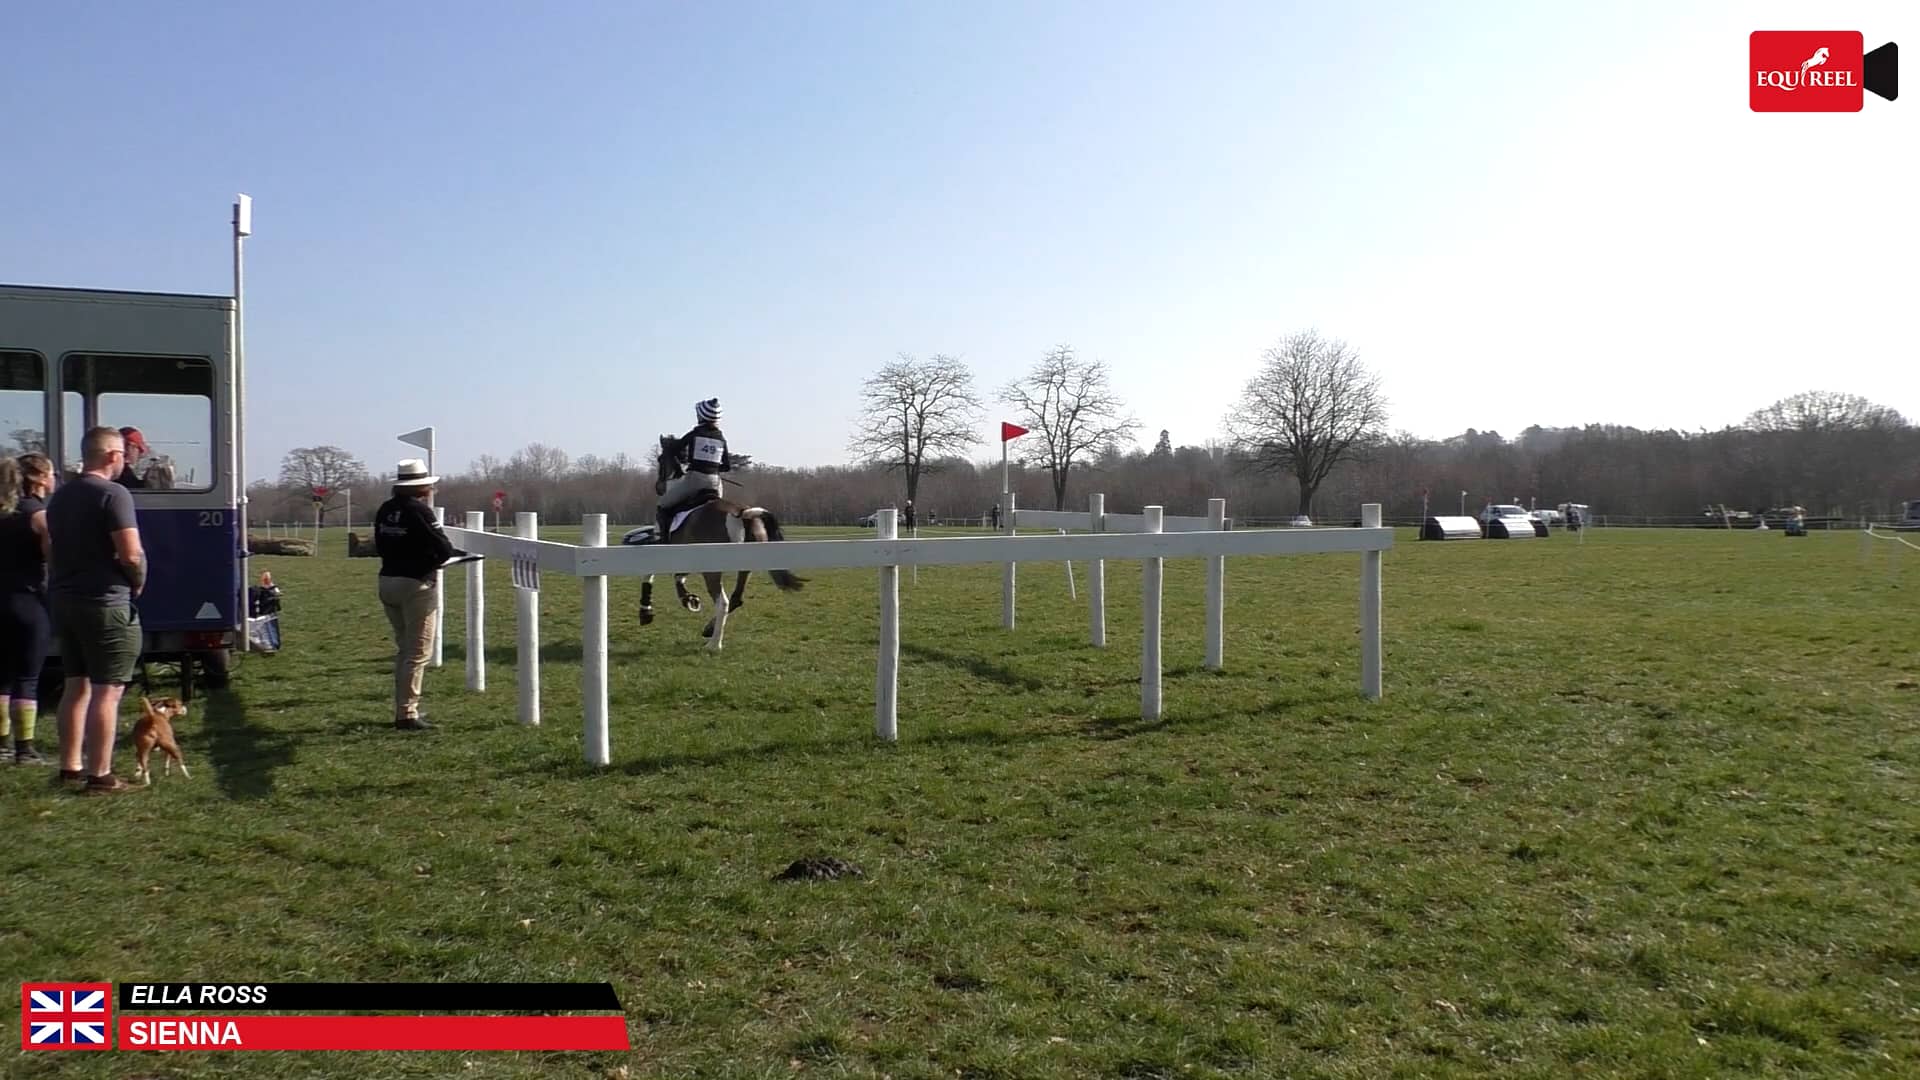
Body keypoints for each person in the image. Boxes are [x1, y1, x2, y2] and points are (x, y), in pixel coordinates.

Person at [45, 427, 146, 793]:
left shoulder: (60, 496)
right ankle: (100, 775)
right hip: (104, 601)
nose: (124, 460)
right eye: (121, 453)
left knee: (76, 685)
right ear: (110, 456)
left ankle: (70, 765)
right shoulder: (113, 494)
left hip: (65, 600)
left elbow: (52, 549)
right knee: (108, 690)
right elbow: (130, 551)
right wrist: (136, 578)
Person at [373, 459, 466, 730]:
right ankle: (407, 714)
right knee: (417, 653)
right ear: (421, 487)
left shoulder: (385, 509)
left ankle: (403, 707)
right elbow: (444, 549)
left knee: (404, 650)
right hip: (415, 585)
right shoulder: (420, 511)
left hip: (387, 581)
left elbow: (382, 545)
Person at [0, 454, 55, 764]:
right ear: (41, 478)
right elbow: (52, 557)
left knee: (1, 677)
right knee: (27, 676)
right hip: (28, 601)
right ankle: (26, 748)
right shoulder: (39, 517)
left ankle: (1, 744)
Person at [657, 397, 731, 538]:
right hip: (716, 484)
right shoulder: (721, 438)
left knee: (663, 505)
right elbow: (727, 466)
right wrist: (712, 467)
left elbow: (674, 449)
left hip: (694, 481)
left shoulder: (694, 434)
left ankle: (663, 538)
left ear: (700, 416)